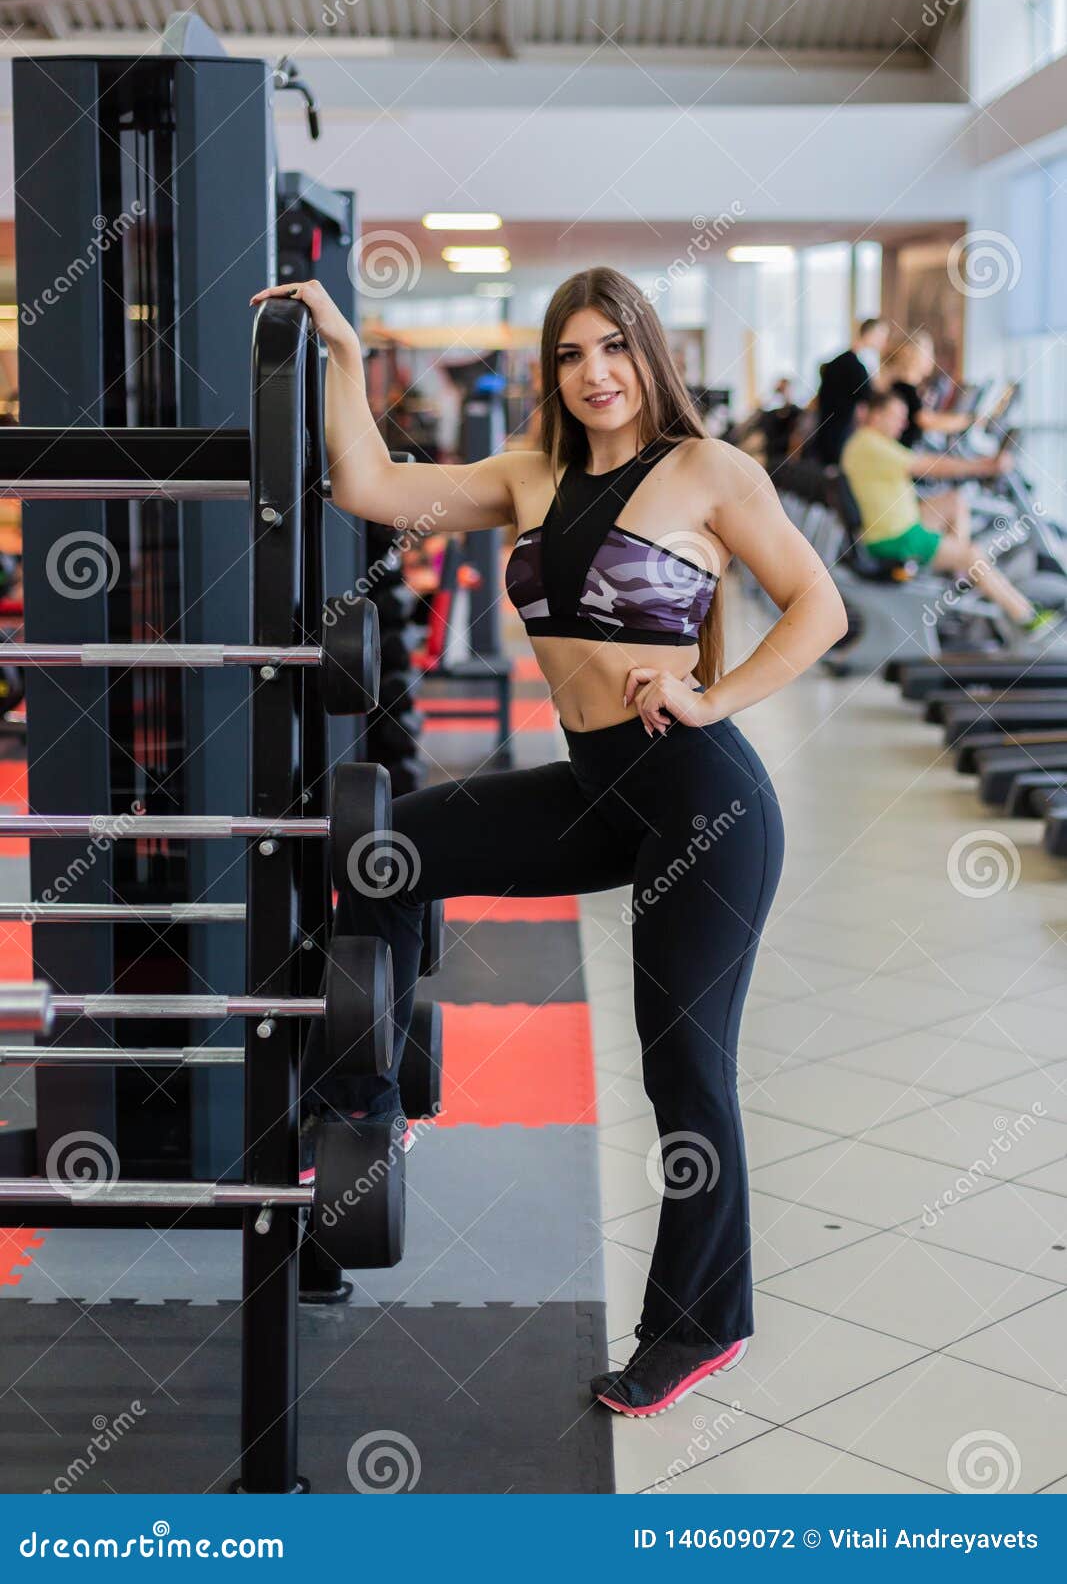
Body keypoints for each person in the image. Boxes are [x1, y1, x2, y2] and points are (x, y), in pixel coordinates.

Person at [250, 265, 849, 1420]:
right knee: (385, 850)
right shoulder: (530, 474)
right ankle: (375, 1100)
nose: (593, 374)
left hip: (697, 798)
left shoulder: (706, 472)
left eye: (611, 348)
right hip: (594, 785)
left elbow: (818, 607)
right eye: (570, 354)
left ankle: (698, 1322)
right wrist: (339, 347)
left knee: (681, 1065)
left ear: (647, 353)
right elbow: (367, 485)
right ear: (551, 368)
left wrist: (716, 699)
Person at [841, 388, 1058, 636]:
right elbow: (930, 467)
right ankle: (1026, 617)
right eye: (896, 416)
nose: (902, 424)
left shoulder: (867, 442)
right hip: (895, 537)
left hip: (896, 524)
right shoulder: (871, 444)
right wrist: (985, 466)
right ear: (875, 415)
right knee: (973, 553)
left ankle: (960, 571)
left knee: (954, 501)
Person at [812, 315, 889, 466]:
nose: (884, 342)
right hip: (838, 435)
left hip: (829, 432)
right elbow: (870, 398)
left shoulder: (844, 361)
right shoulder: (853, 366)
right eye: (882, 336)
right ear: (870, 333)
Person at [886, 333, 976, 450]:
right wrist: (969, 420)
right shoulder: (904, 389)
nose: (932, 360)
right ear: (915, 358)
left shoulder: (906, 387)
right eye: (929, 354)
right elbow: (928, 422)